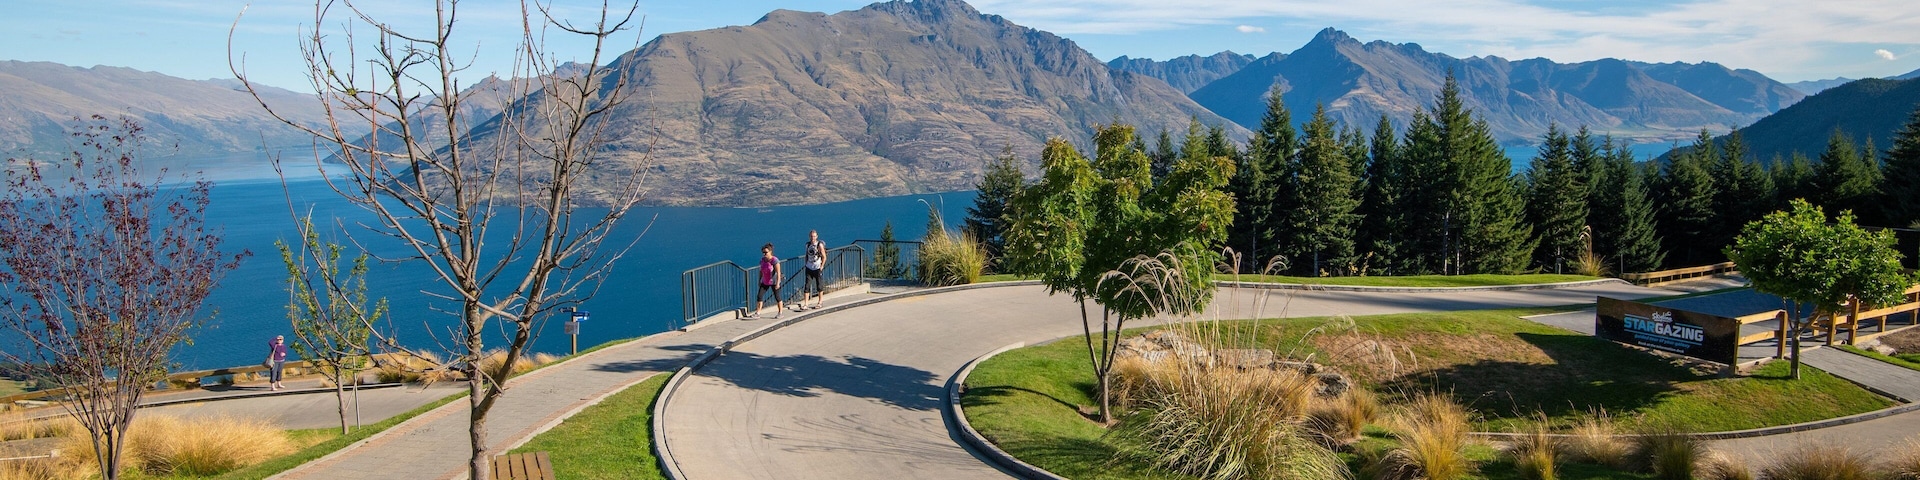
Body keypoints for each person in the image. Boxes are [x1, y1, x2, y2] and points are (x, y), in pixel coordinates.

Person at [752, 243, 784, 318]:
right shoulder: (762, 260)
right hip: (765, 281)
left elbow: (778, 272)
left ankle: (780, 312)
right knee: (759, 296)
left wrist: (778, 283)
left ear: (770, 252)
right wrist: (759, 280)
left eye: (766, 252)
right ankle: (758, 312)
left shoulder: (775, 260)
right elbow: (761, 271)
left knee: (777, 297)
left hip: (774, 281)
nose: (764, 254)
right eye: (763, 252)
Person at [800, 230, 827, 310]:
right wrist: (806, 264)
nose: (813, 238)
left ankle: (820, 302)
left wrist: (821, 266)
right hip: (809, 267)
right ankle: (806, 304)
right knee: (807, 286)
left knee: (819, 285)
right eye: (811, 236)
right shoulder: (808, 245)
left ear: (817, 236)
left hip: (817, 267)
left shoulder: (819, 245)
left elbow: (824, 257)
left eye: (814, 236)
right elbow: (806, 255)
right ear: (809, 236)